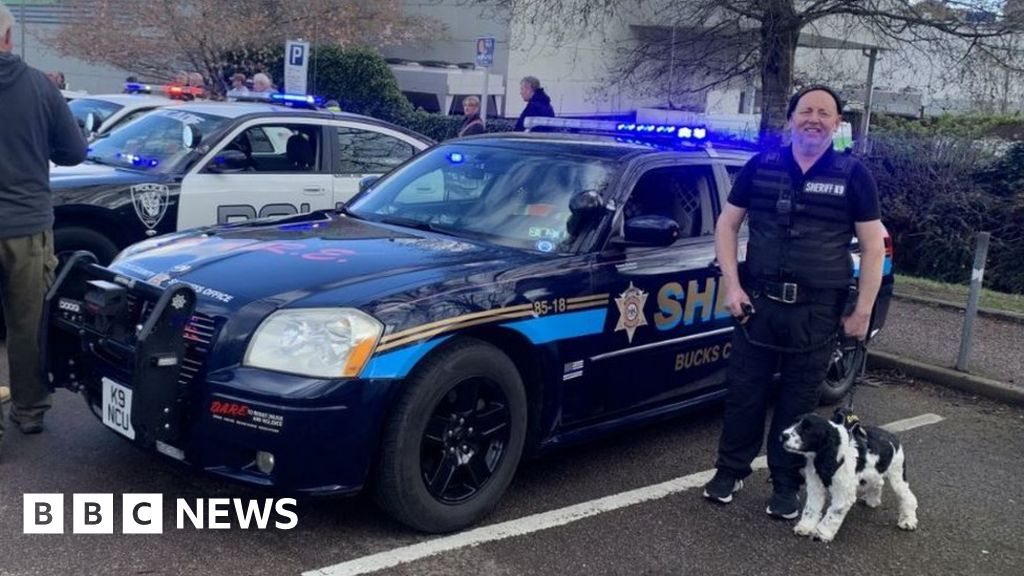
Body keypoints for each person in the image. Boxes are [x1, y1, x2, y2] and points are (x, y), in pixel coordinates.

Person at [702, 85, 886, 520]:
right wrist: (732, 286)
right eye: (806, 110)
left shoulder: (853, 174)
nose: (814, 119)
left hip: (817, 310)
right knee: (744, 394)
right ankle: (730, 472)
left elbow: (873, 245)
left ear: (837, 124)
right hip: (758, 305)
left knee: (798, 404)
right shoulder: (760, 166)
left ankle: (785, 484)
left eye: (825, 113)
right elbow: (727, 225)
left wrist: (863, 310)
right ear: (791, 119)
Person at [0, 1, 87, 451]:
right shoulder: (39, 87)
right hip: (26, 226)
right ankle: (29, 411)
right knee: (26, 323)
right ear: (9, 38)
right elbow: (73, 152)